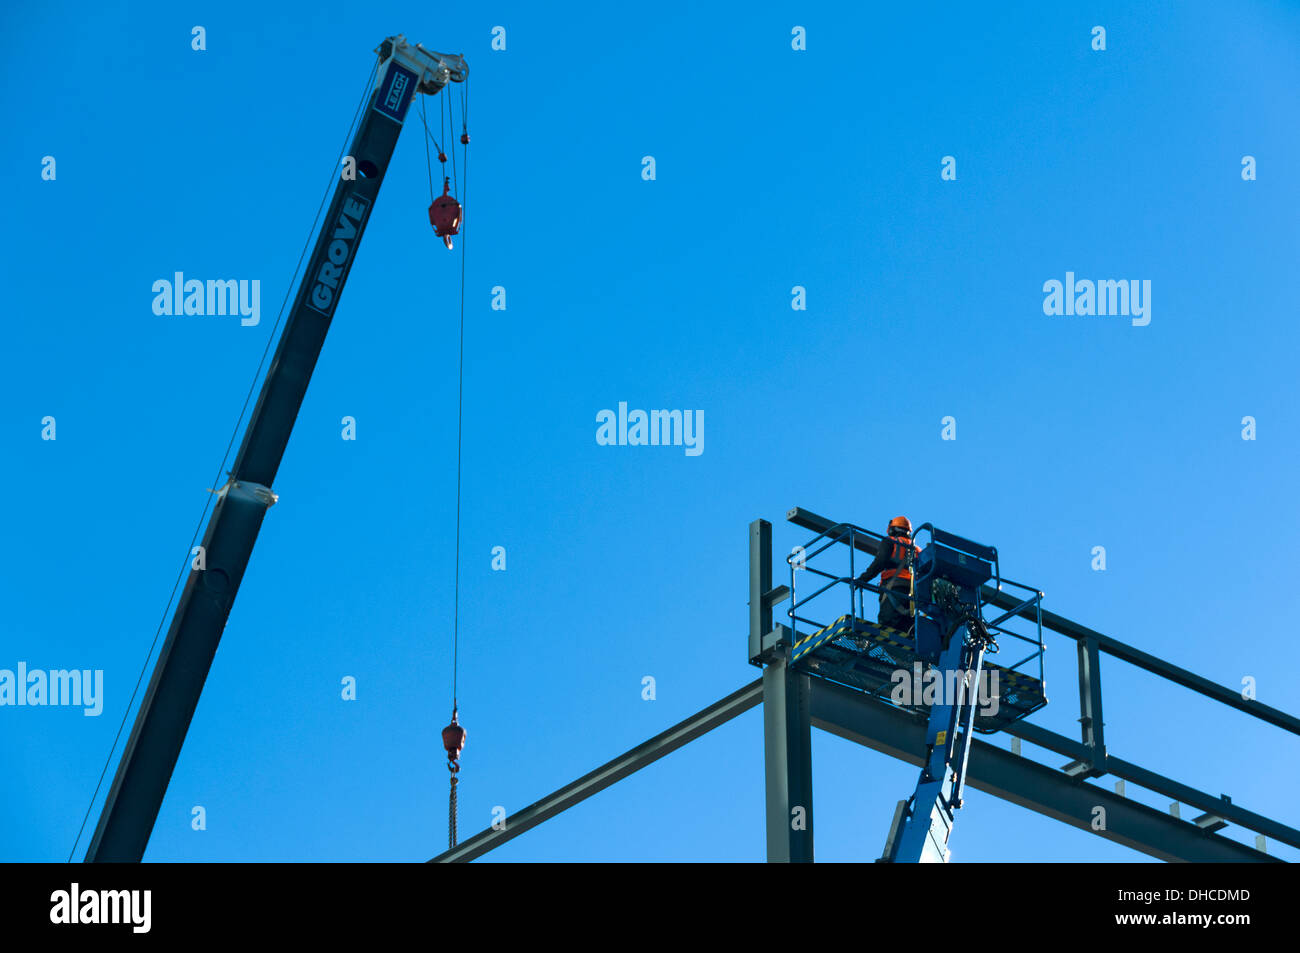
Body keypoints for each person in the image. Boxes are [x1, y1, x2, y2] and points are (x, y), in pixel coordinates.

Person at [853, 516, 920, 633]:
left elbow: (880, 562)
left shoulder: (890, 541)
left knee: (888, 628)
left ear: (892, 530)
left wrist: (863, 579)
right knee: (908, 631)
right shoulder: (918, 550)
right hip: (914, 595)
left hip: (894, 590)